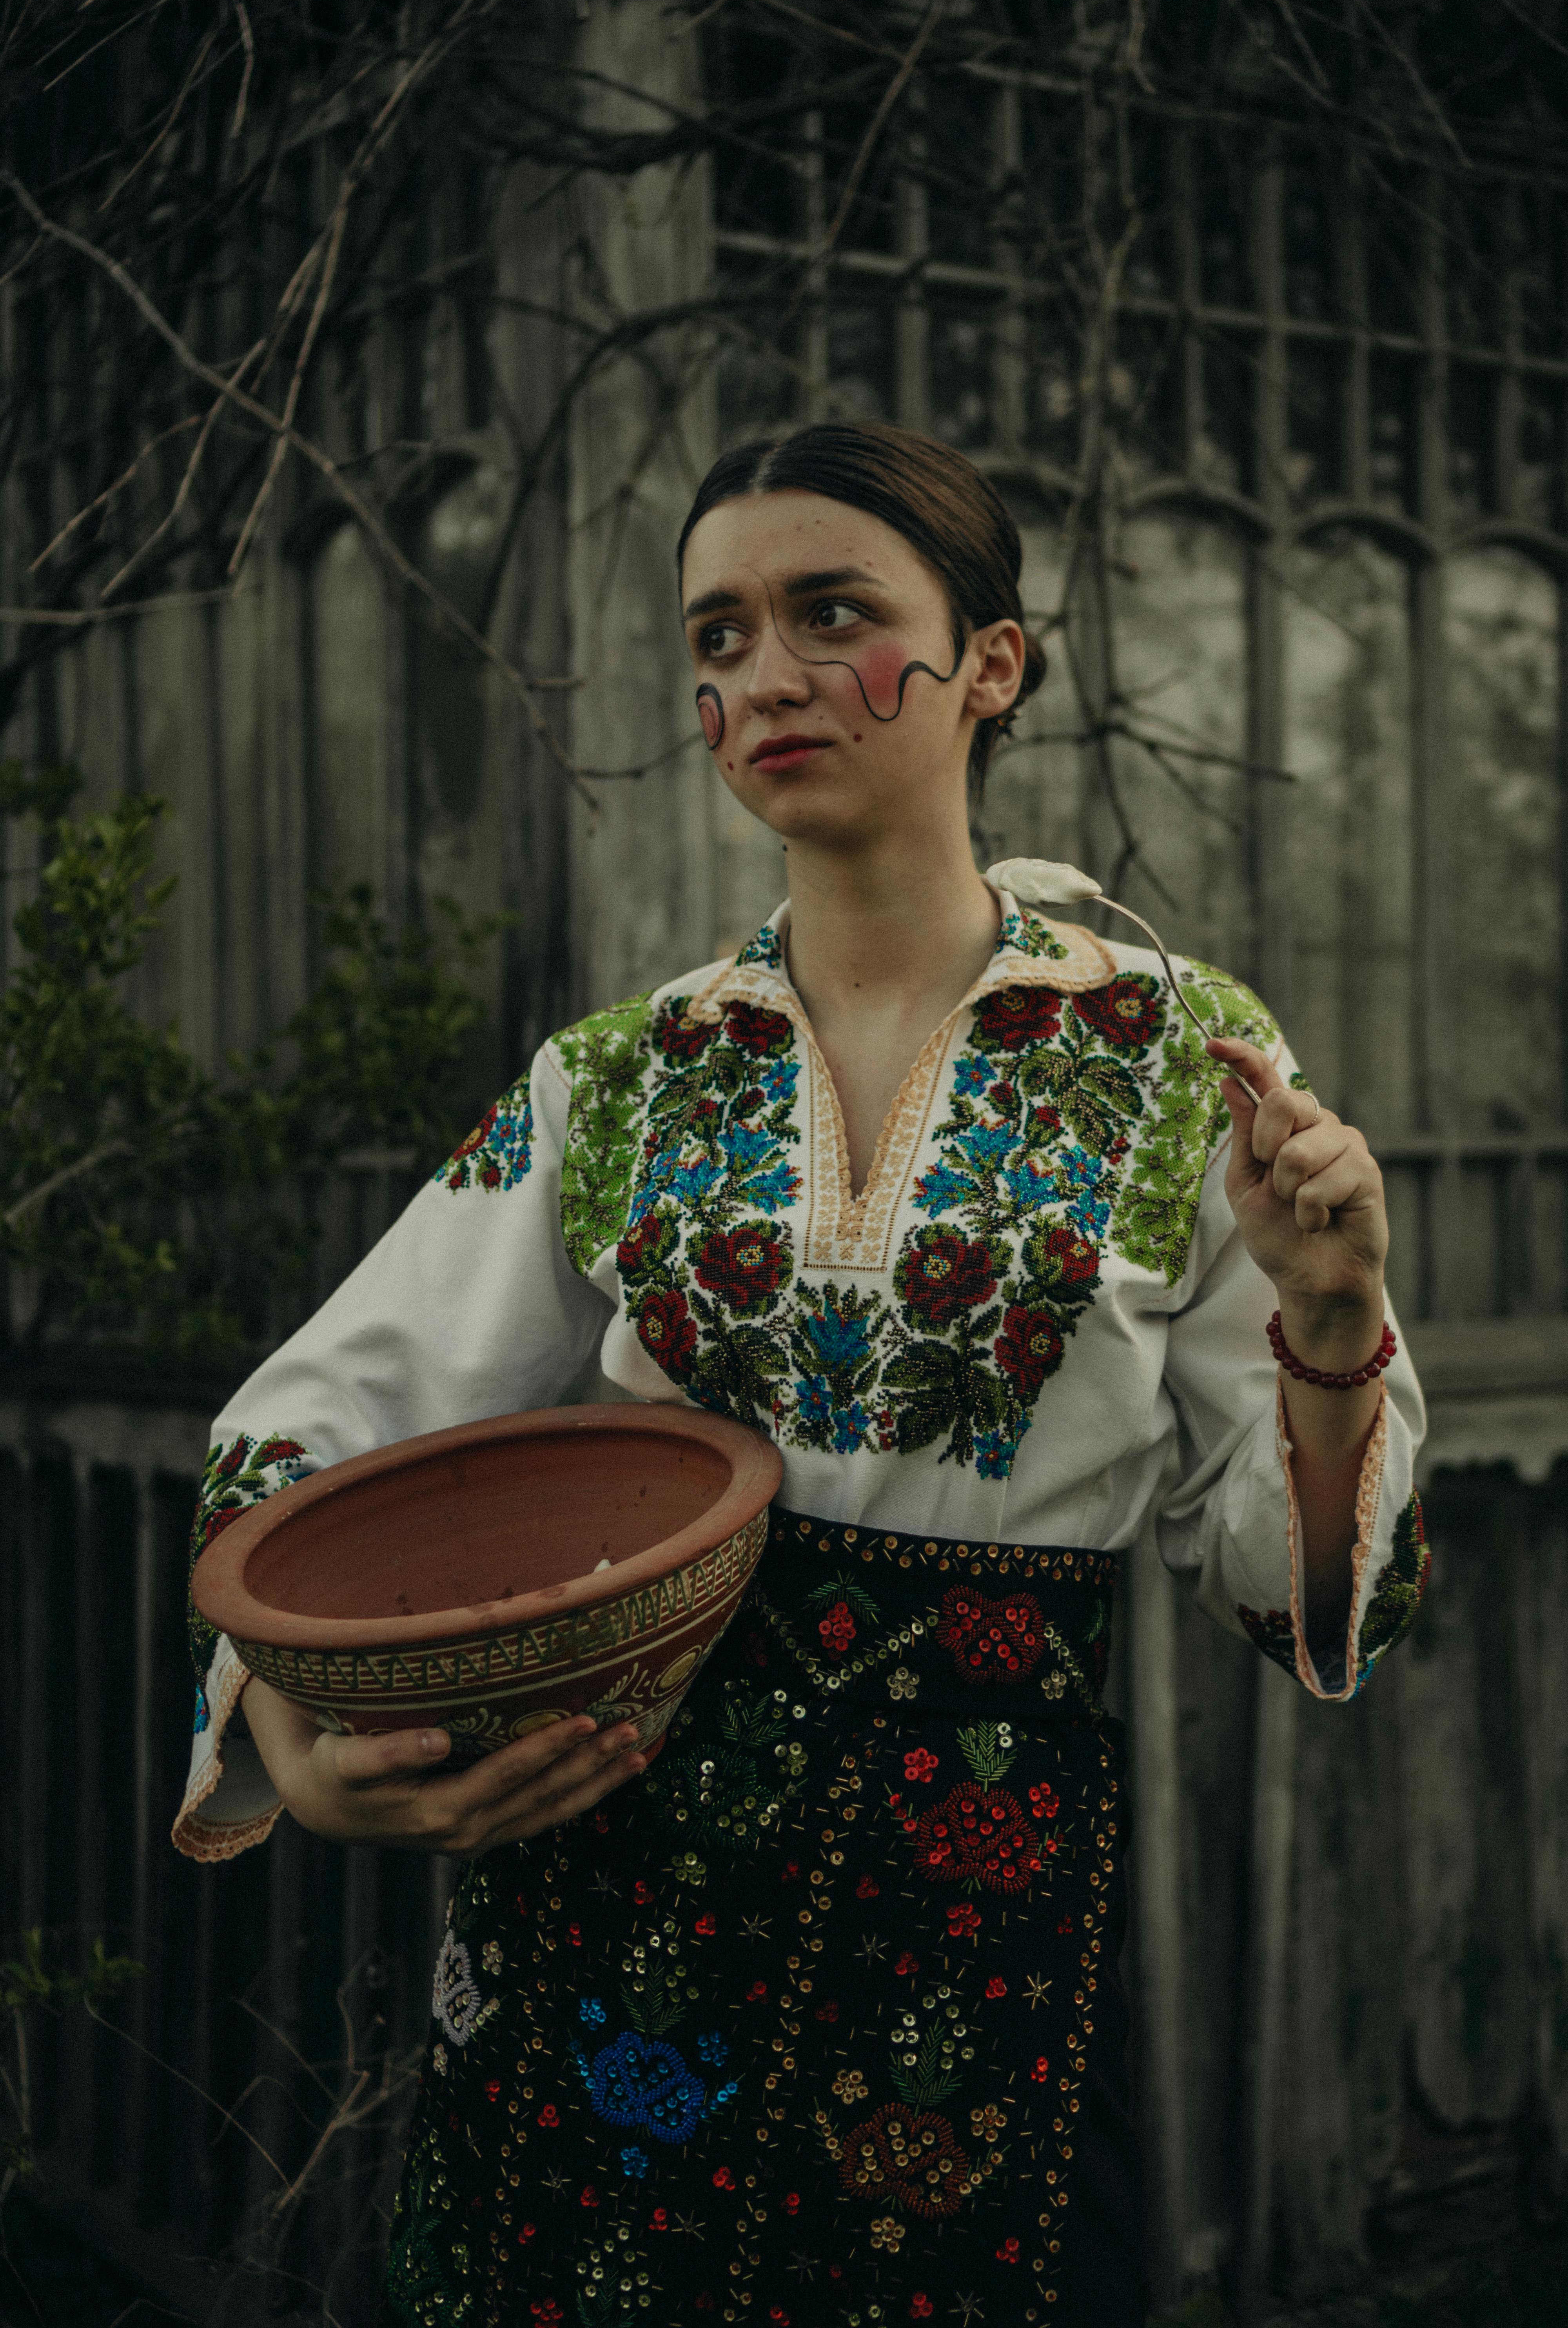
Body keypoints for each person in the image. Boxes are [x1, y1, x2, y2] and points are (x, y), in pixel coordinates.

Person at [175, 422, 1428, 2326]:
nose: (761, 674)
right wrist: (286, 1722)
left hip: (974, 1907)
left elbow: (1290, 1595)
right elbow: (309, 1413)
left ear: (987, 663)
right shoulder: (620, 1080)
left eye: (830, 615)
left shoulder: (1184, 1057)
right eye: (719, 634)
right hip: (609, 1879)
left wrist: (1330, 1324)